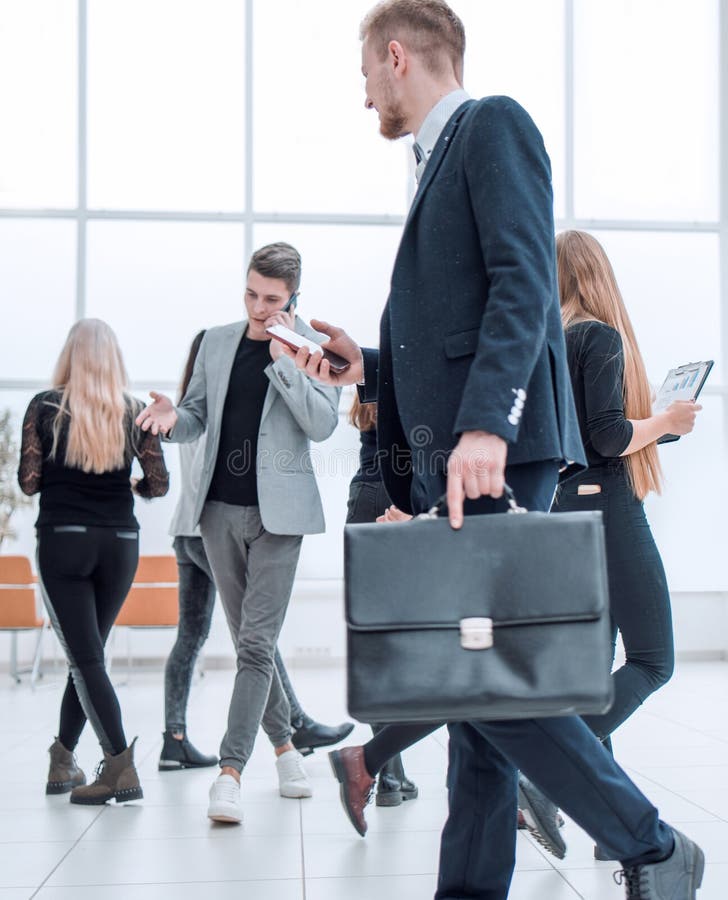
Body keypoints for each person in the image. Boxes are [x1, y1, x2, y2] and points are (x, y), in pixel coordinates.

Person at [282, 2, 705, 897]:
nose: (365, 97)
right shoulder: (437, 164)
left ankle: (653, 845)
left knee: (490, 688)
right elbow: (453, 329)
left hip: (492, 453)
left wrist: (487, 425)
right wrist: (368, 368)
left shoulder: (492, 126)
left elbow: (524, 278)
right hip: (468, 451)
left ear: (396, 56)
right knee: (479, 700)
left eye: (366, 75)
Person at [136, 242, 341, 825]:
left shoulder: (313, 349)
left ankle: (229, 774)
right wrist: (173, 419)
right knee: (254, 644)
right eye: (251, 293)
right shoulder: (217, 341)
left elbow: (323, 425)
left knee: (253, 646)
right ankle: (286, 752)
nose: (257, 306)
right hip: (218, 514)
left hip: (283, 518)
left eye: (271, 298)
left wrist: (285, 358)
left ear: (293, 298)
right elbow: (197, 416)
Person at [538, 229, 699, 858]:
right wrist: (664, 421)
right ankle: (547, 769)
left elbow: (582, 432)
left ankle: (616, 826)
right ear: (596, 274)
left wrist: (661, 427)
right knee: (653, 660)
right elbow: (606, 439)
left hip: (563, 511)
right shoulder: (599, 337)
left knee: (588, 677)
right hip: (607, 509)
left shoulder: (549, 341)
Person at [160, 330, 353, 770]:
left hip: (185, 530)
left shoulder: (191, 410)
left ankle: (176, 737)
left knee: (202, 639)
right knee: (256, 642)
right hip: (213, 528)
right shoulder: (210, 410)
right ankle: (285, 735)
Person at [18, 318, 169, 804]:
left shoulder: (44, 407)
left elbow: (28, 480)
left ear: (69, 356)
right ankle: (63, 758)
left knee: (86, 659)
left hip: (65, 540)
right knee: (90, 659)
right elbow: (158, 484)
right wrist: (133, 486)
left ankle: (120, 767)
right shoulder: (136, 412)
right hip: (120, 542)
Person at [346, 395, 417, 807]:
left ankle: (389, 776)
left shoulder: (370, 389)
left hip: (364, 499)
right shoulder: (417, 373)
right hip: (405, 501)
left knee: (373, 647)